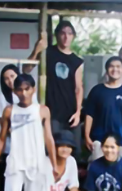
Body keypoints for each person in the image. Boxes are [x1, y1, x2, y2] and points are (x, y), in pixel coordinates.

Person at [29, 21, 84, 159]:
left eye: (70, 34)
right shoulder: (48, 53)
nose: (66, 37)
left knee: (73, 150)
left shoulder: (76, 61)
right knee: (51, 147)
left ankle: (70, 179)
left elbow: (78, 87)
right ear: (56, 35)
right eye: (63, 33)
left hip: (70, 112)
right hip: (51, 111)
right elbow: (27, 69)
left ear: (73, 37)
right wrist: (36, 50)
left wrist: (78, 112)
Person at [84, 57, 122, 161]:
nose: (115, 69)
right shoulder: (96, 91)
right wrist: (87, 137)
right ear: (107, 69)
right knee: (98, 172)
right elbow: (89, 115)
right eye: (111, 66)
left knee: (119, 174)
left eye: (118, 67)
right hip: (99, 141)